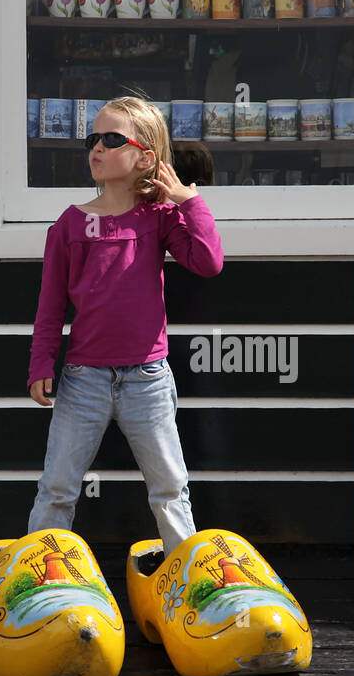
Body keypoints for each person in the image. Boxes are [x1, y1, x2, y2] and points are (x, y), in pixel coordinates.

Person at [27, 96, 224, 554]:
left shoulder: (159, 218)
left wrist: (189, 201)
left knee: (171, 488)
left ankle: (186, 577)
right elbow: (50, 305)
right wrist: (42, 363)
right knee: (57, 487)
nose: (96, 146)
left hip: (148, 380)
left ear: (145, 157)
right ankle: (37, 576)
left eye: (111, 139)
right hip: (83, 380)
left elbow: (208, 262)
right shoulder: (70, 225)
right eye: (92, 138)